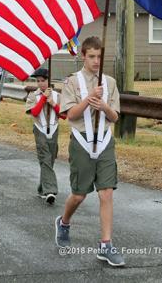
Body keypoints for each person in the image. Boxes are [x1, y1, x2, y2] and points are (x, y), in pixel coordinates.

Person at [54, 36, 124, 267]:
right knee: (79, 194)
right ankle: (64, 222)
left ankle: (106, 245)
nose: (96, 61)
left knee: (106, 193)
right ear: (83, 56)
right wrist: (88, 99)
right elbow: (70, 115)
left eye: (99, 56)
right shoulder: (72, 82)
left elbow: (115, 116)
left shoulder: (110, 83)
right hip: (82, 142)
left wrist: (103, 105)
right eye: (91, 56)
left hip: (104, 141)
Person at [25, 67, 64, 205]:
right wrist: (42, 99)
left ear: (49, 80)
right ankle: (50, 191)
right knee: (45, 158)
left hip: (53, 130)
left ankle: (42, 188)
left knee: (50, 159)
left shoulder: (58, 96)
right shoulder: (32, 96)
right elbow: (34, 112)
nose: (41, 83)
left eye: (44, 80)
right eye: (38, 81)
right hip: (39, 129)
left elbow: (64, 115)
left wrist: (52, 103)